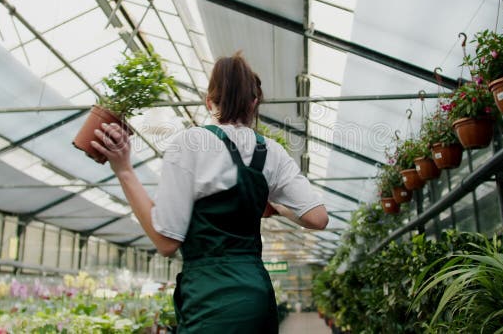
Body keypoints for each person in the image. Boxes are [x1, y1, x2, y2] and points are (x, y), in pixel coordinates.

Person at [91, 52, 328, 333]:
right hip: (256, 296)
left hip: (209, 300)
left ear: (209, 101)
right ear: (254, 102)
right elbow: (318, 218)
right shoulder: (272, 152)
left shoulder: (191, 143)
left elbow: (167, 242)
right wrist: (276, 205)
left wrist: (124, 170)